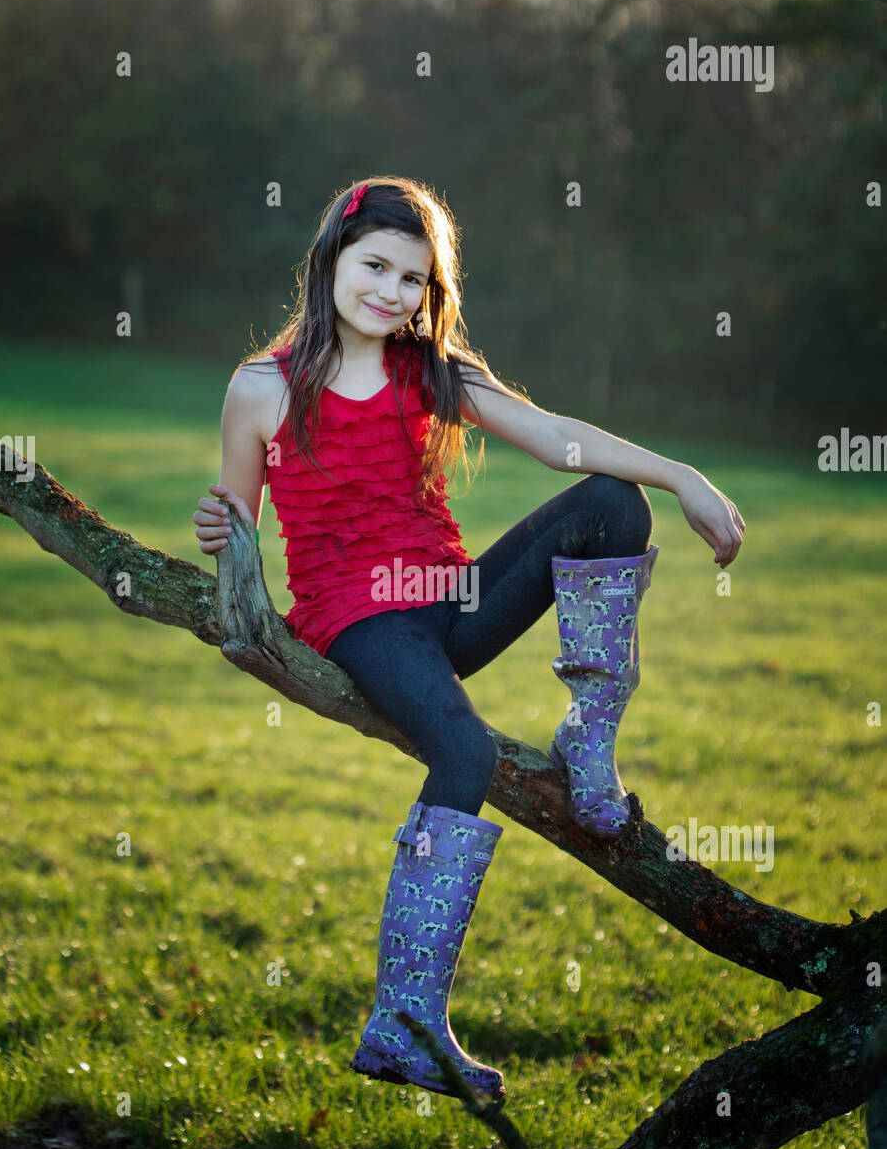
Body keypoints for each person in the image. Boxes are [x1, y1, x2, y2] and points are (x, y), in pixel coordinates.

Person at [193, 176, 744, 1102]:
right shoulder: (259, 390)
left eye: (414, 278)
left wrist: (682, 474)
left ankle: (589, 744)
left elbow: (557, 438)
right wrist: (220, 534)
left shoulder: (432, 370)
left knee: (612, 501)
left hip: (448, 600)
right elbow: (236, 529)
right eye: (375, 265)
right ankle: (405, 1023)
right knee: (461, 749)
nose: (391, 292)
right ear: (330, 258)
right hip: (359, 620)